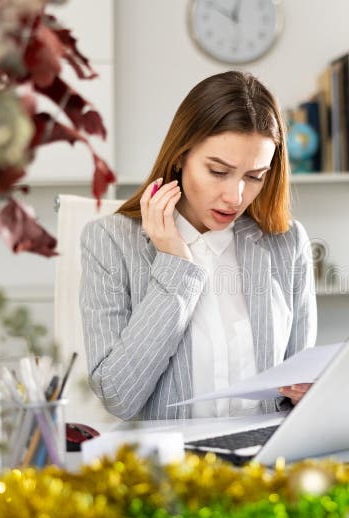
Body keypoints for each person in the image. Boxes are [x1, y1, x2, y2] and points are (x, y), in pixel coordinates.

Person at [80, 71, 316, 420]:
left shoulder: (288, 242)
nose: (235, 197)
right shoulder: (110, 241)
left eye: (254, 177)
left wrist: (308, 393)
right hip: (175, 454)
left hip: (266, 449)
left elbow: (300, 380)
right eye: (218, 172)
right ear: (180, 156)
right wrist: (175, 266)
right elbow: (117, 397)